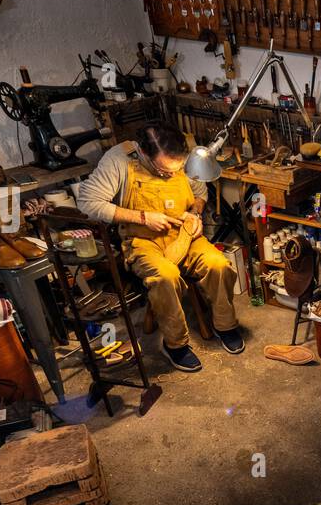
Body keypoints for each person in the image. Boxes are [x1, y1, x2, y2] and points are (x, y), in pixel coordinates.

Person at [76, 121, 242, 372]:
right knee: (166, 276)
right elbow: (88, 203)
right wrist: (143, 217)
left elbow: (200, 192)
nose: (169, 175)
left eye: (175, 170)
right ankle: (176, 345)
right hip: (143, 240)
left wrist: (195, 213)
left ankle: (225, 326)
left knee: (218, 264)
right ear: (144, 153)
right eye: (164, 171)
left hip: (185, 234)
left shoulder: (186, 154)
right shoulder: (120, 160)